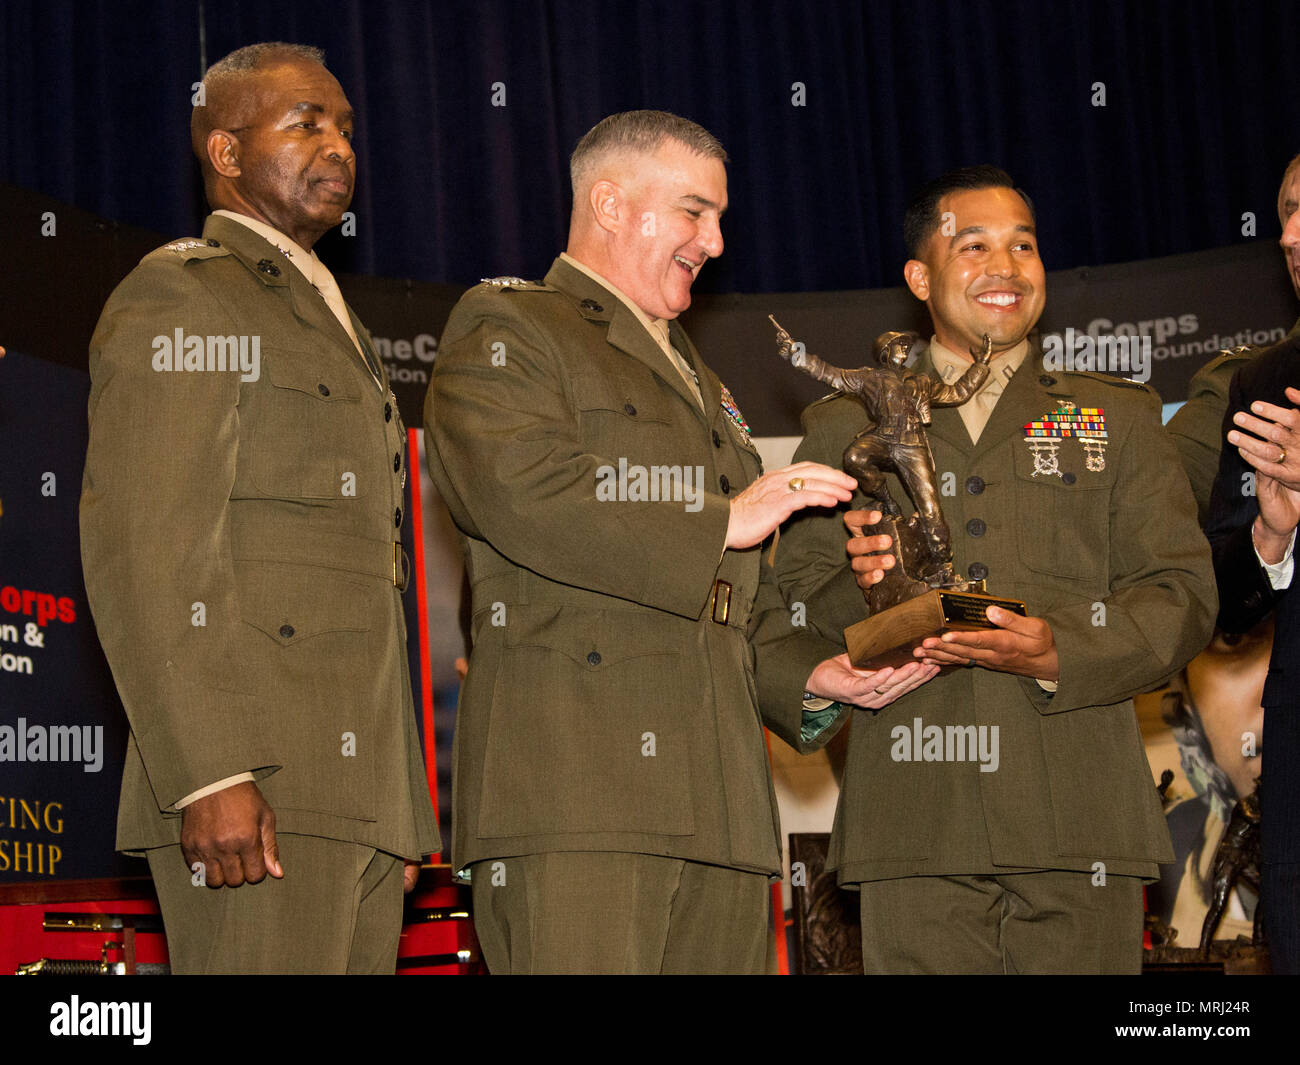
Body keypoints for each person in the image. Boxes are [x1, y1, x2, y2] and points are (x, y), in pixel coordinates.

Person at [423, 110, 933, 974]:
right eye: (696, 212)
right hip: (578, 796)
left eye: (721, 217)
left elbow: (735, 595)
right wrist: (721, 518)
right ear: (612, 203)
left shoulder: (700, 377)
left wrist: (809, 673)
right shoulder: (511, 325)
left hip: (724, 806)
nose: (717, 240)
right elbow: (520, 489)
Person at [773, 165, 1217, 973]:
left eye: (1024, 245)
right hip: (914, 824)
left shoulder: (1116, 415)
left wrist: (1060, 651)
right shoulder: (846, 423)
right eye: (972, 244)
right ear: (920, 276)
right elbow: (788, 609)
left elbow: (1180, 591)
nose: (1005, 267)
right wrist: (866, 584)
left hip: (1082, 820)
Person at [79, 42, 439, 974]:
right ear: (227, 154)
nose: (339, 147)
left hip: (351, 791)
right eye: (306, 123)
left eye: (348, 129)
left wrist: (394, 803)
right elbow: (146, 545)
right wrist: (209, 770)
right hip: (255, 781)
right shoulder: (184, 293)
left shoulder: (325, 312)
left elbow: (366, 577)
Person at [1204, 346, 1300, 971]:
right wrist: (1272, 537)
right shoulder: (1267, 382)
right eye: (1289, 246)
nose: (1294, 248)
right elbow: (1224, 602)